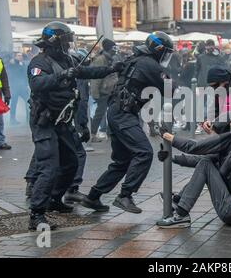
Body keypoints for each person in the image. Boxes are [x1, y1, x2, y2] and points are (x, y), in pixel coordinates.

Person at [27, 21, 118, 230]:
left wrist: (112, 68)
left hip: (63, 122)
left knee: (71, 163)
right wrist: (61, 76)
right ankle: (37, 214)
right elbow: (37, 84)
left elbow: (86, 72)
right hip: (45, 123)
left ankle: (54, 199)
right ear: (54, 42)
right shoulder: (38, 62)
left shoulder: (67, 60)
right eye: (66, 41)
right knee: (48, 167)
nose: (69, 45)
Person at [81, 32, 174, 214]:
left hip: (118, 112)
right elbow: (169, 88)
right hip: (124, 114)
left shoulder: (136, 59)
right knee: (144, 152)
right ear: (158, 50)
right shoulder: (149, 64)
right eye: (166, 53)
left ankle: (93, 196)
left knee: (122, 161)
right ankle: (125, 195)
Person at [156, 117, 231, 228]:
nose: (211, 137)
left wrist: (167, 136)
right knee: (205, 163)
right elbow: (197, 160)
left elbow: (194, 147)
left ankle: (181, 214)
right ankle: (178, 200)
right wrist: (170, 158)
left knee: (205, 164)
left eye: (213, 133)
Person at [90, 39, 118, 142]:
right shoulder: (101, 59)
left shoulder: (109, 59)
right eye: (114, 48)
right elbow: (96, 77)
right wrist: (95, 93)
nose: (116, 50)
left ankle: (110, 133)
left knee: (110, 112)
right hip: (103, 91)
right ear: (109, 49)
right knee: (99, 113)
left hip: (109, 90)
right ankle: (92, 134)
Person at [7, 52, 29, 124]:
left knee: (28, 101)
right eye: (18, 55)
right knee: (14, 103)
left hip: (22, 87)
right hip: (14, 87)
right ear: (15, 56)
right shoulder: (12, 64)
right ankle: (12, 119)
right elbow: (10, 73)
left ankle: (28, 118)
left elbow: (25, 75)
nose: (20, 57)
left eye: (21, 55)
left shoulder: (22, 64)